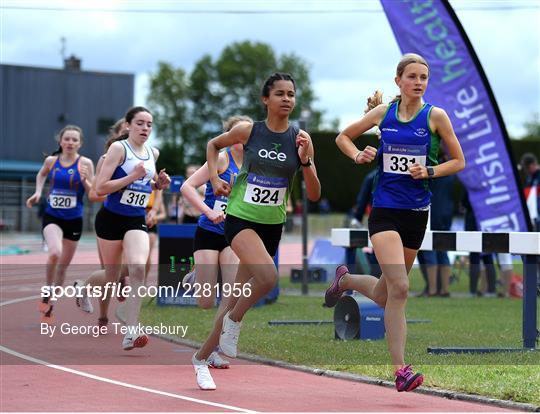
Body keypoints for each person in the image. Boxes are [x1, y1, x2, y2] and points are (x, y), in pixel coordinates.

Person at [326, 53, 465, 392]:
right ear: (398, 80)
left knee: (385, 292)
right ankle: (401, 369)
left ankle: (345, 282)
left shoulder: (436, 117)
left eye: (424, 77)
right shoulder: (383, 114)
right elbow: (342, 137)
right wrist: (357, 154)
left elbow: (459, 161)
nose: (419, 82)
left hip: (417, 214)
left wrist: (430, 170)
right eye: (413, 76)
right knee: (401, 288)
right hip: (385, 211)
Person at [191, 73, 321, 390]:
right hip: (240, 218)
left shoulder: (300, 138)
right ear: (266, 99)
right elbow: (212, 145)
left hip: (271, 224)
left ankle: (200, 358)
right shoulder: (249, 131)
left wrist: (306, 162)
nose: (287, 99)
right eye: (280, 93)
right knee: (267, 278)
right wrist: (214, 179)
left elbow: (315, 194)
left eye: (291, 94)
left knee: (232, 297)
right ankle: (235, 322)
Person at [76, 106, 170, 350]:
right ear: (128, 125)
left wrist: (158, 184)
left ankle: (131, 329)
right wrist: (132, 176)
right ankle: (84, 286)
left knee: (138, 268)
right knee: (112, 277)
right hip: (111, 219)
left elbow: (144, 182)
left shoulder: (153, 152)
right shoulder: (118, 149)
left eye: (149, 124)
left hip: (135, 218)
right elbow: (100, 188)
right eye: (140, 123)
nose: (145, 128)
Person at [180, 115, 252, 370]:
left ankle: (212, 349)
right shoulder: (222, 158)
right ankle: (196, 276)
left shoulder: (255, 163)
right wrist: (208, 211)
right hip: (209, 230)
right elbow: (187, 187)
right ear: (230, 136)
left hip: (234, 234)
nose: (243, 137)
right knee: (205, 302)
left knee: (231, 296)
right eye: (237, 133)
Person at [26, 125, 95, 324]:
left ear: (80, 143)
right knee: (54, 252)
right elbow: (41, 174)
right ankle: (48, 288)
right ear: (60, 141)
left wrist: (85, 180)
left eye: (75, 140)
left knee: (63, 267)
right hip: (52, 216)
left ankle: (51, 304)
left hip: (74, 219)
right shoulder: (51, 161)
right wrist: (38, 192)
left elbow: (93, 193)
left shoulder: (86, 163)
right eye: (67, 139)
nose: (70, 143)